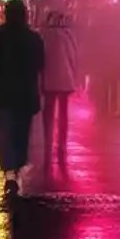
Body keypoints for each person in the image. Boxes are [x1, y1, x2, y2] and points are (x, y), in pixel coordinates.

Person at [0, 0, 45, 197]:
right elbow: (40, 65)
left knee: (2, 134)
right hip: (24, 95)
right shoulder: (34, 39)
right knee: (20, 133)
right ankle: (15, 168)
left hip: (0, 94)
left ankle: (9, 173)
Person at [41, 10, 79, 165]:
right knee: (63, 114)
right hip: (65, 80)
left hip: (49, 79)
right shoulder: (67, 34)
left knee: (48, 113)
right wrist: (76, 75)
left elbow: (41, 58)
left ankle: (48, 142)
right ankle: (61, 144)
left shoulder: (44, 35)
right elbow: (74, 56)